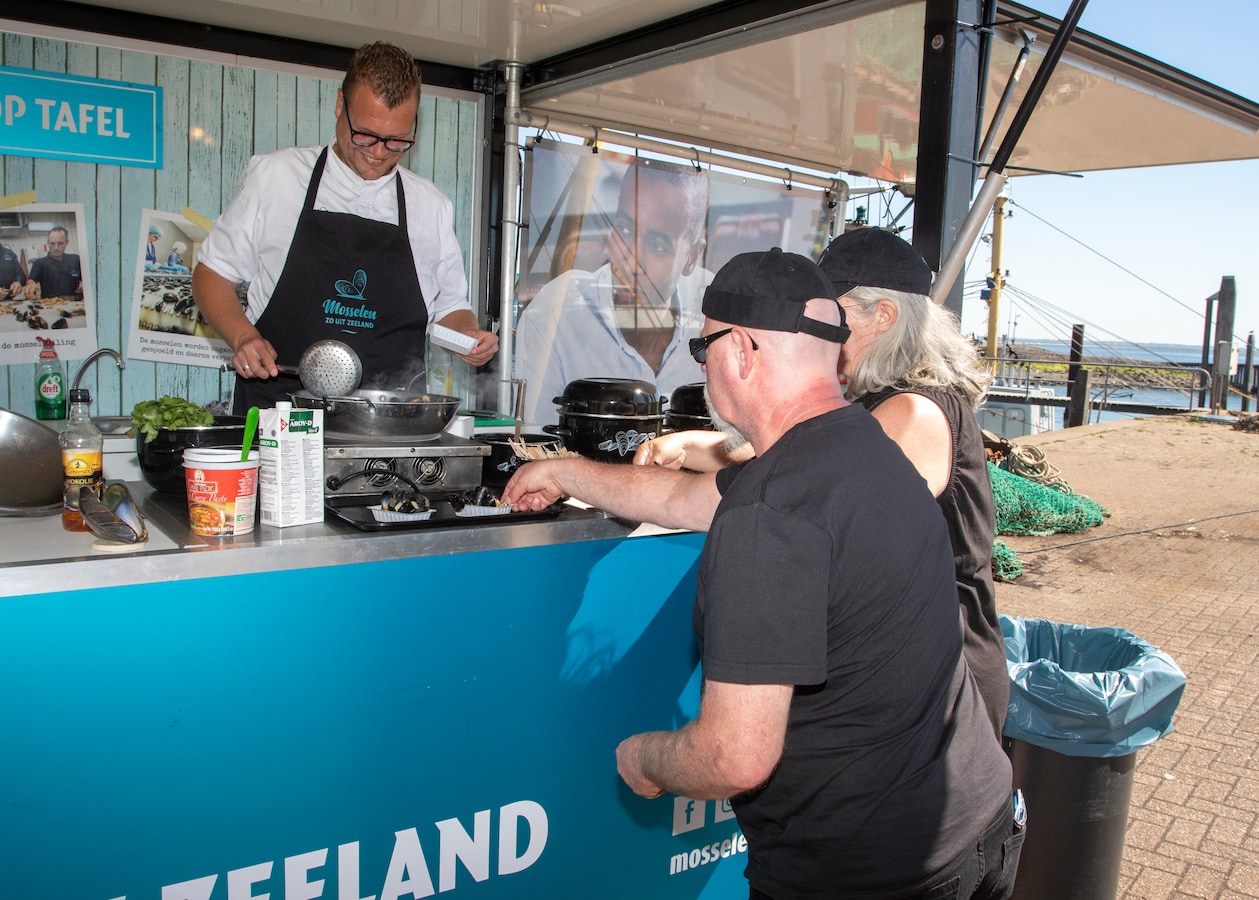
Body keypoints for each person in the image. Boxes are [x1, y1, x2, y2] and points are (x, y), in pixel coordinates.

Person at [503, 249, 1022, 899]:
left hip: (866, 873)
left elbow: (732, 756)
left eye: (701, 346)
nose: (702, 362)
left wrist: (643, 757)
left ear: (739, 350)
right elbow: (683, 500)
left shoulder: (772, 512)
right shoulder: (859, 444)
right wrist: (566, 472)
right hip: (979, 824)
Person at [634, 227, 1009, 737]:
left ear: (884, 316)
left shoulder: (913, 413)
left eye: (833, 315)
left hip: (941, 695)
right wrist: (685, 445)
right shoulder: (869, 401)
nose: (819, 330)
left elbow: (804, 486)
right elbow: (774, 456)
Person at [194, 41, 497, 413]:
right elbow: (212, 274)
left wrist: (469, 337)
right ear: (340, 105)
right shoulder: (278, 177)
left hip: (388, 430)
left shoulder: (429, 205)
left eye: (398, 140)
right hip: (280, 422)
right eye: (365, 134)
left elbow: (451, 308)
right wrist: (242, 336)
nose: (379, 152)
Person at [514, 161, 710, 425]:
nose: (630, 264)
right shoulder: (555, 315)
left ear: (691, 257)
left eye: (657, 245)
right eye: (625, 230)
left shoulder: (715, 316)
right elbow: (536, 443)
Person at [24, 226, 83, 301]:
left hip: (74, 302)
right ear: (48, 243)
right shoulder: (39, 263)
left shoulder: (76, 259)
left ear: (67, 243)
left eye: (60, 243)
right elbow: (31, 280)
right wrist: (31, 285)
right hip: (50, 304)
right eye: (52, 243)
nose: (56, 247)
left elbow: (87, 279)